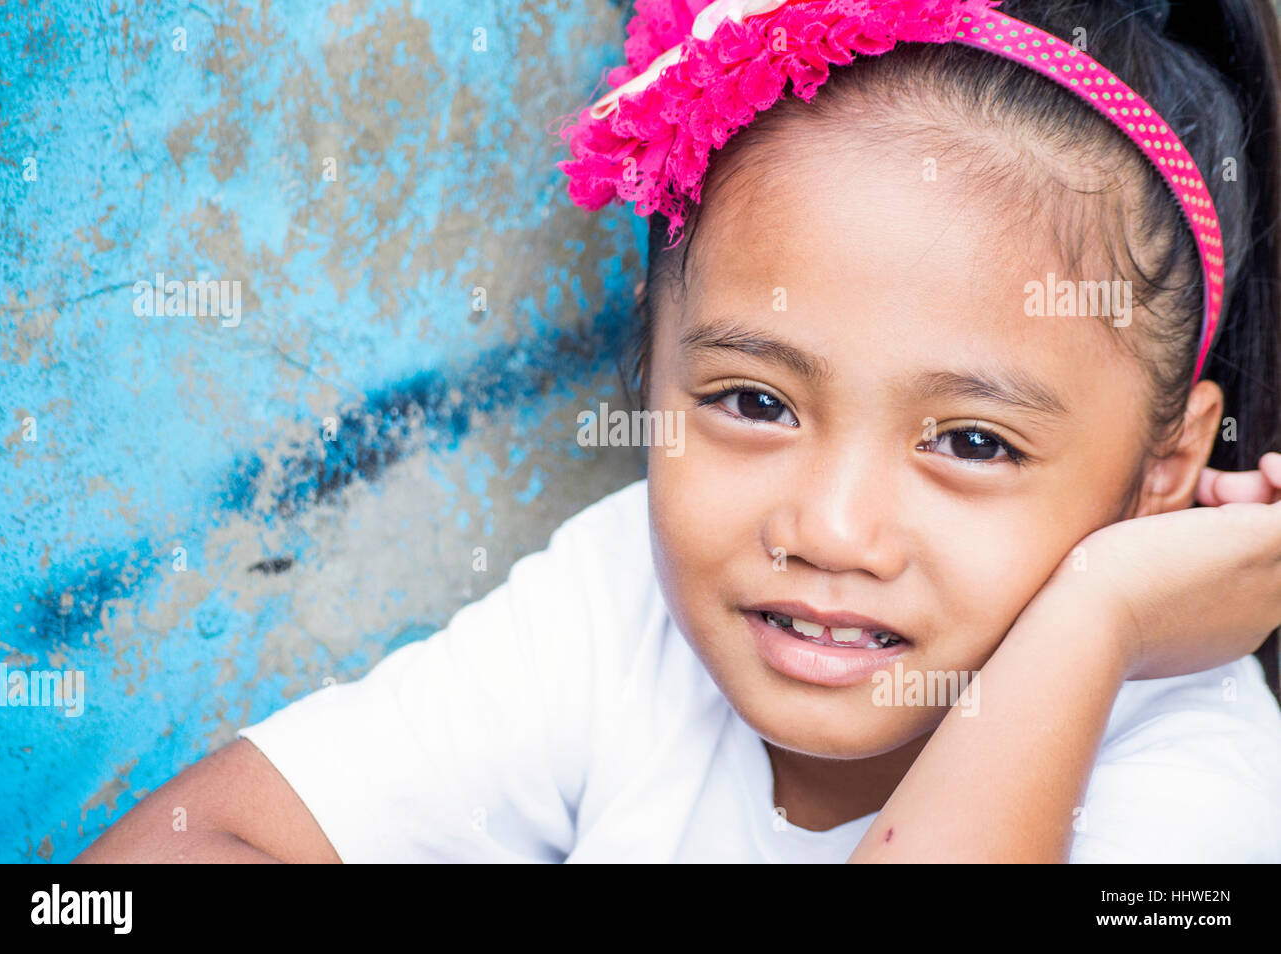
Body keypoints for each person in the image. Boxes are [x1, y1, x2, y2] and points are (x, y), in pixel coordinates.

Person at [78, 0, 1281, 862]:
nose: (829, 528)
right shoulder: (624, 601)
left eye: (971, 442)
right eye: (755, 403)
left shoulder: (1202, 787)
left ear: (1163, 468)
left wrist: (1091, 626)